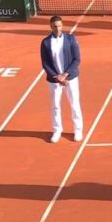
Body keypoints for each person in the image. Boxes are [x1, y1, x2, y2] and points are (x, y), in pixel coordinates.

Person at [40, 15, 83, 143]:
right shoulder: (46, 42)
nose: (57, 28)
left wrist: (65, 75)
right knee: (55, 106)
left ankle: (78, 129)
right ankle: (57, 130)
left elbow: (77, 59)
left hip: (71, 78)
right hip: (54, 80)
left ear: (62, 26)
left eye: (59, 26)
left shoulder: (71, 39)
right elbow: (45, 63)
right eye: (54, 26)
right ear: (50, 26)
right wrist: (57, 77)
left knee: (74, 103)